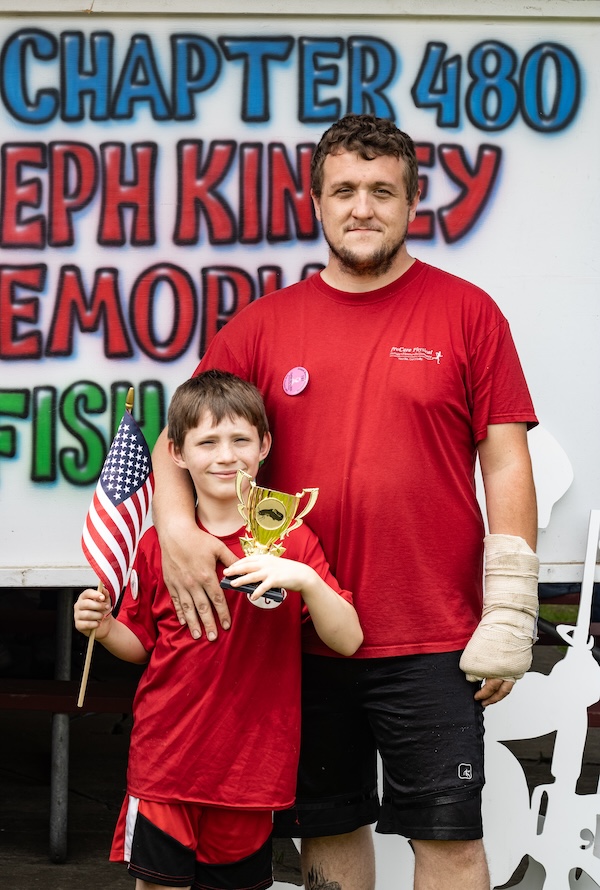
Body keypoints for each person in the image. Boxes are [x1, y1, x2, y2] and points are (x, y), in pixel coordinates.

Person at [150, 114, 539, 890]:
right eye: (345, 191)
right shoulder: (263, 325)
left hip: (433, 634)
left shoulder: (468, 313)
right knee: (327, 833)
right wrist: (175, 530)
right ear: (317, 203)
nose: (363, 208)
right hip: (295, 636)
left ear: (413, 202)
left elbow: (505, 460)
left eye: (382, 191)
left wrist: (511, 608)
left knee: (450, 840)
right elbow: (175, 439)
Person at [74, 370, 362, 890]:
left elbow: (348, 639)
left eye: (240, 440)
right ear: (178, 453)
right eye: (207, 442)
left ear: (264, 445)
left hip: (251, 770)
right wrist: (105, 626)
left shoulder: (293, 540)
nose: (225, 456)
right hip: (165, 762)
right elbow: (141, 646)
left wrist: (306, 581)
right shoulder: (158, 546)